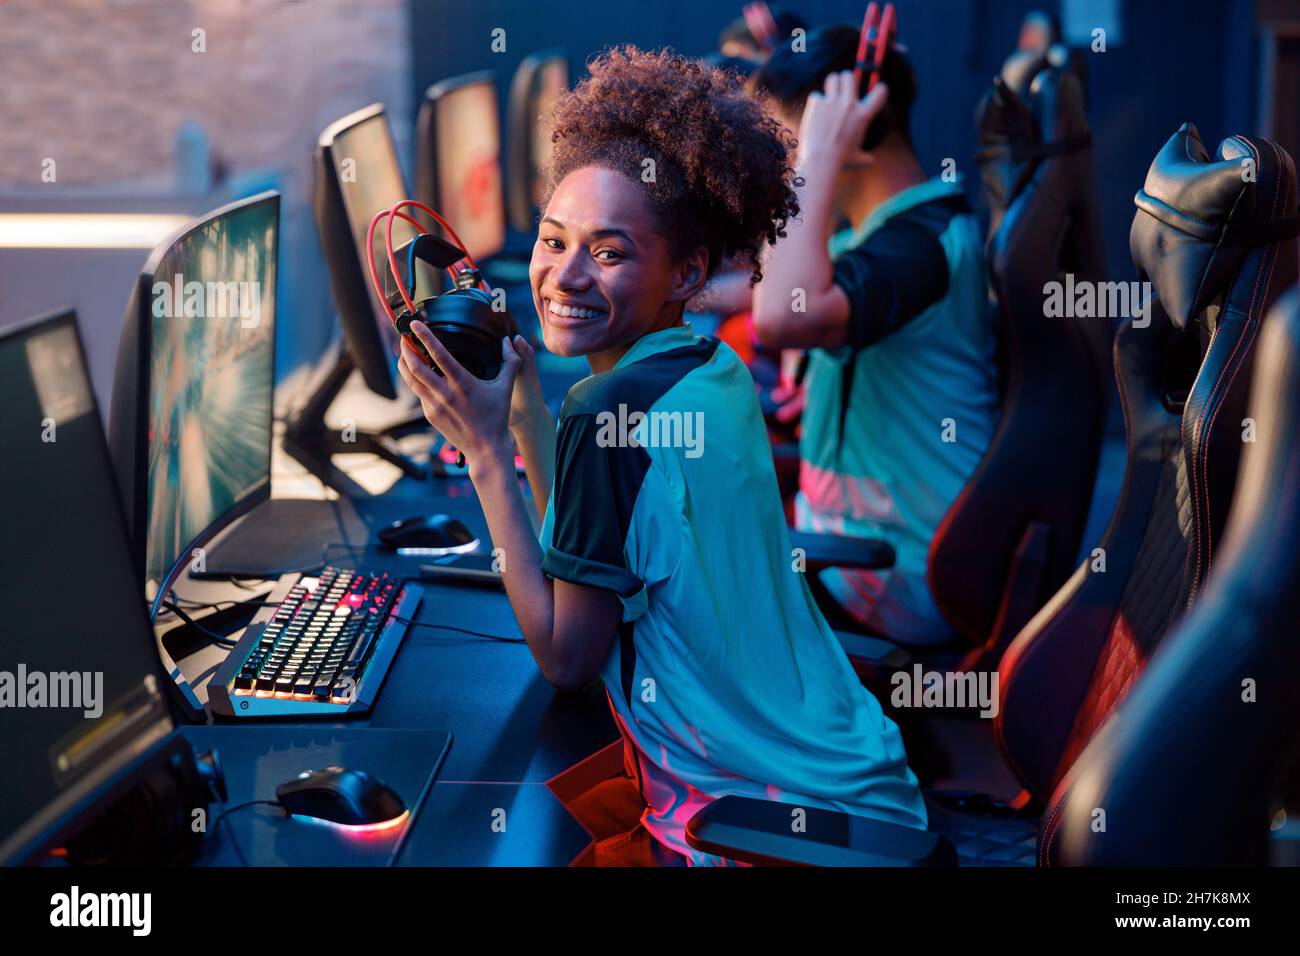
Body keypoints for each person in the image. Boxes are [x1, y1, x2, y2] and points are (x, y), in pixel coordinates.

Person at [397, 46, 925, 866]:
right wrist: (528, 403)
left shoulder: (609, 411)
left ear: (687, 272)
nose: (564, 275)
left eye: (609, 253)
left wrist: (489, 455)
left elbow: (568, 657)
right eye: (552, 240)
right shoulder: (706, 367)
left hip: (768, 825)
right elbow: (599, 538)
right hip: (853, 784)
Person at [751, 27, 1000, 646]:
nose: (778, 175)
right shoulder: (889, 234)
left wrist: (815, 164)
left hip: (891, 577)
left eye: (787, 147)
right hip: (858, 548)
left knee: (662, 568)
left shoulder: (918, 249)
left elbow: (778, 315)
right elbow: (757, 288)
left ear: (852, 133)